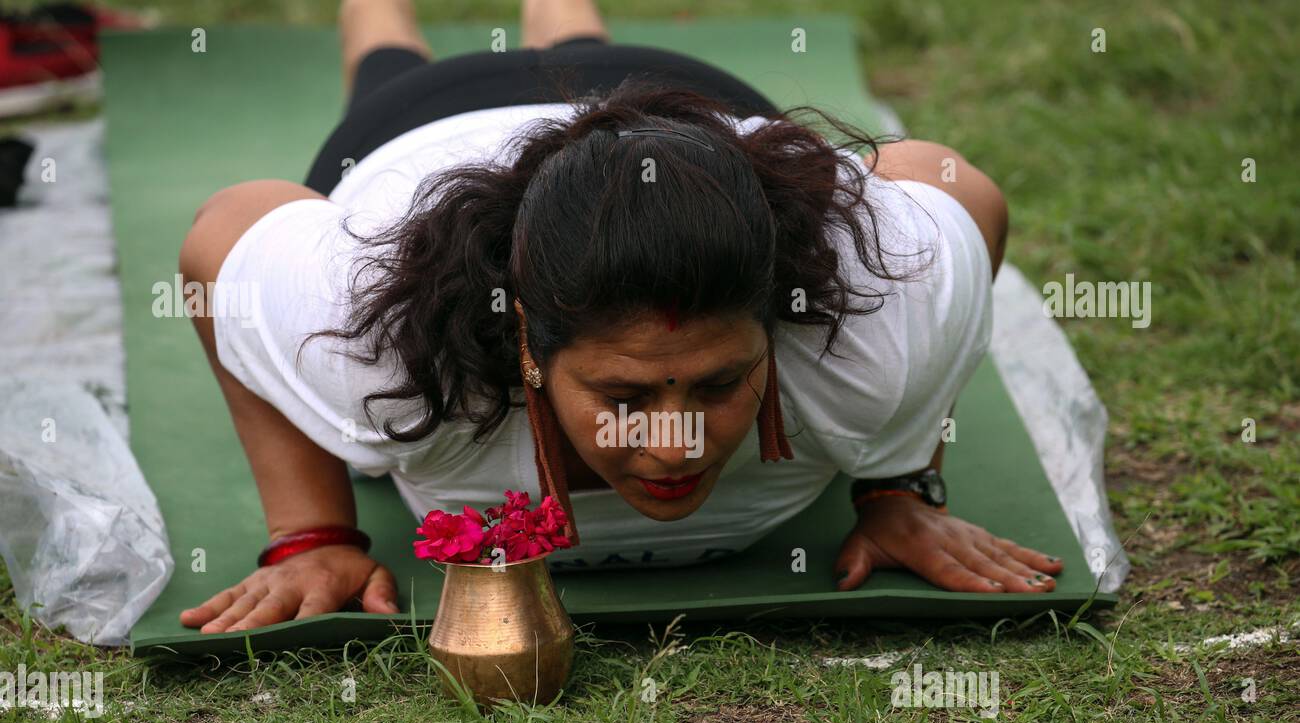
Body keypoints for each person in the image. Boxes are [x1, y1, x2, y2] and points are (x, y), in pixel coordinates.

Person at [178, 0, 1063, 636]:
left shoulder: (863, 333)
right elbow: (223, 237)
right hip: (437, 126)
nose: (676, 442)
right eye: (625, 394)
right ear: (527, 345)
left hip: (677, 121)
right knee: (388, 67)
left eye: (720, 382)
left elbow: (957, 190)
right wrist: (314, 534)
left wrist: (901, 487)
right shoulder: (387, 358)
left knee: (576, 43)